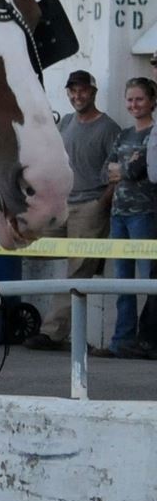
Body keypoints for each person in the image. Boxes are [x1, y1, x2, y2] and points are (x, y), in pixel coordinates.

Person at [29, 71, 121, 351]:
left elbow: (118, 173)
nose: (77, 96)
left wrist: (102, 203)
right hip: (62, 205)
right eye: (72, 91)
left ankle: (52, 333)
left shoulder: (109, 128)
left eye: (82, 91)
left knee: (77, 271)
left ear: (93, 93)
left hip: (90, 207)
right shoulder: (67, 122)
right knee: (24, 237)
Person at [104, 77, 157, 357]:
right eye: (130, 99)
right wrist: (127, 167)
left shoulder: (154, 134)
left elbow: (142, 171)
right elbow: (107, 171)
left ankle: (149, 339)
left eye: (139, 99)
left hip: (145, 215)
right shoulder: (123, 135)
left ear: (151, 101)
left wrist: (123, 170)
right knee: (121, 281)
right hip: (118, 214)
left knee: (150, 280)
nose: (134, 104)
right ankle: (121, 340)